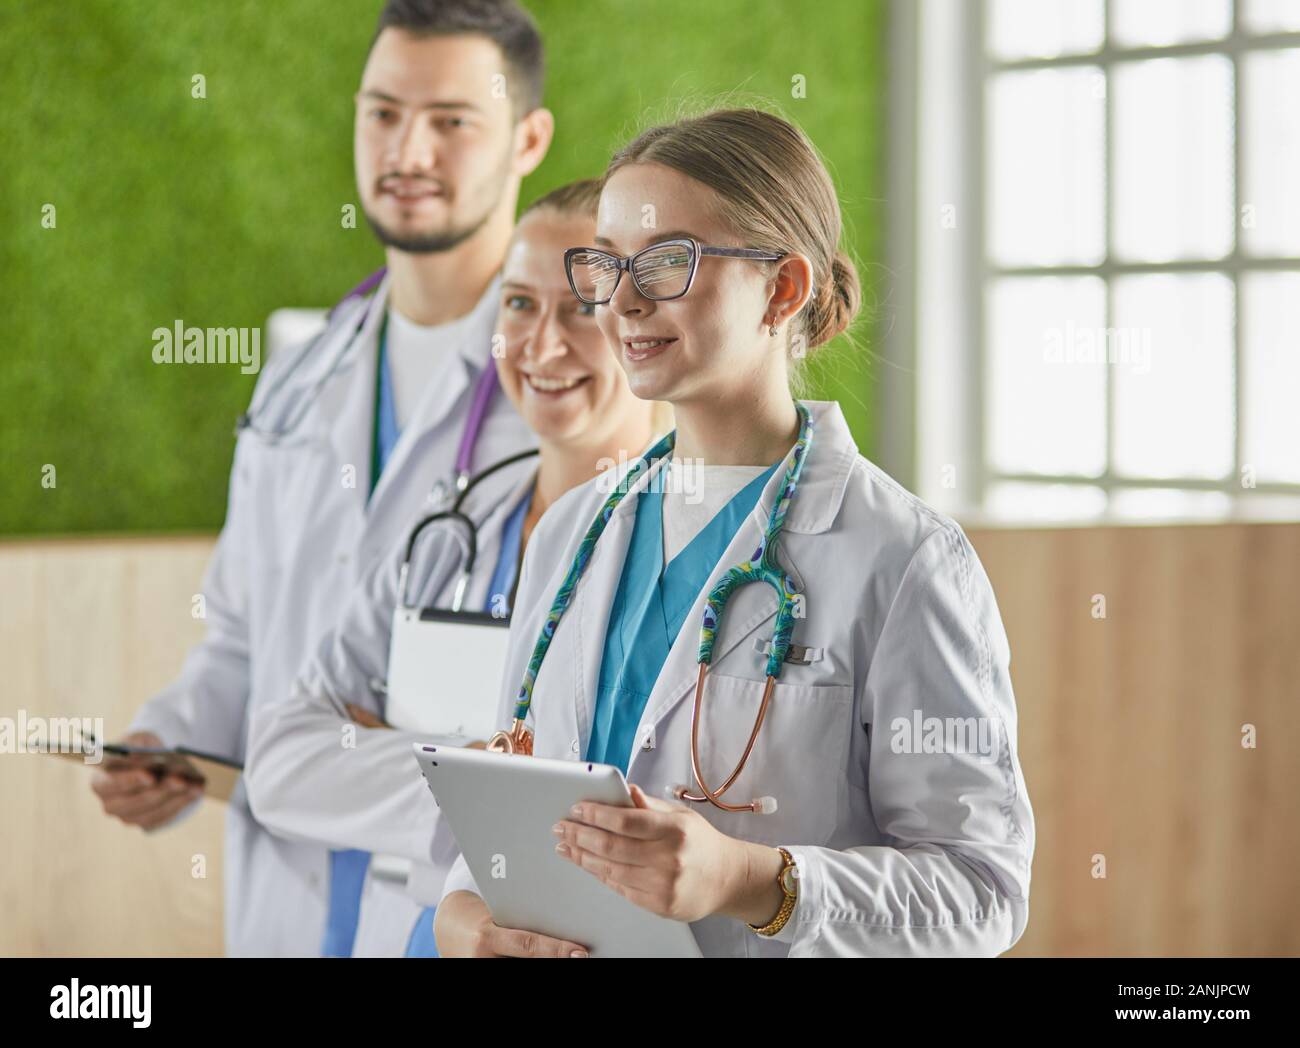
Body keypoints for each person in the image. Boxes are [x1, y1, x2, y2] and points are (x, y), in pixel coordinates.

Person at [434, 107, 1035, 958]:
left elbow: (982, 892)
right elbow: (516, 809)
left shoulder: (904, 561)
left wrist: (751, 881)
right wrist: (465, 921)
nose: (623, 300)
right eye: (608, 264)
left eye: (668, 262)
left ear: (783, 290)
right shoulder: (571, 536)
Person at [90, 0, 554, 957]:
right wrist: (171, 740)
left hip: (456, 901)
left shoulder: (567, 387)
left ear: (528, 139)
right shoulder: (302, 375)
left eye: (451, 121)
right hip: (289, 898)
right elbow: (243, 637)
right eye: (381, 112)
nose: (407, 149)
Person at [243, 179, 669, 956]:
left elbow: (640, 814)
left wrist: (409, 753)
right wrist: (487, 779)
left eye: (580, 305)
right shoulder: (448, 531)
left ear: (641, 320)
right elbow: (278, 761)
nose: (542, 344)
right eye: (516, 304)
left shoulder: (687, 548)